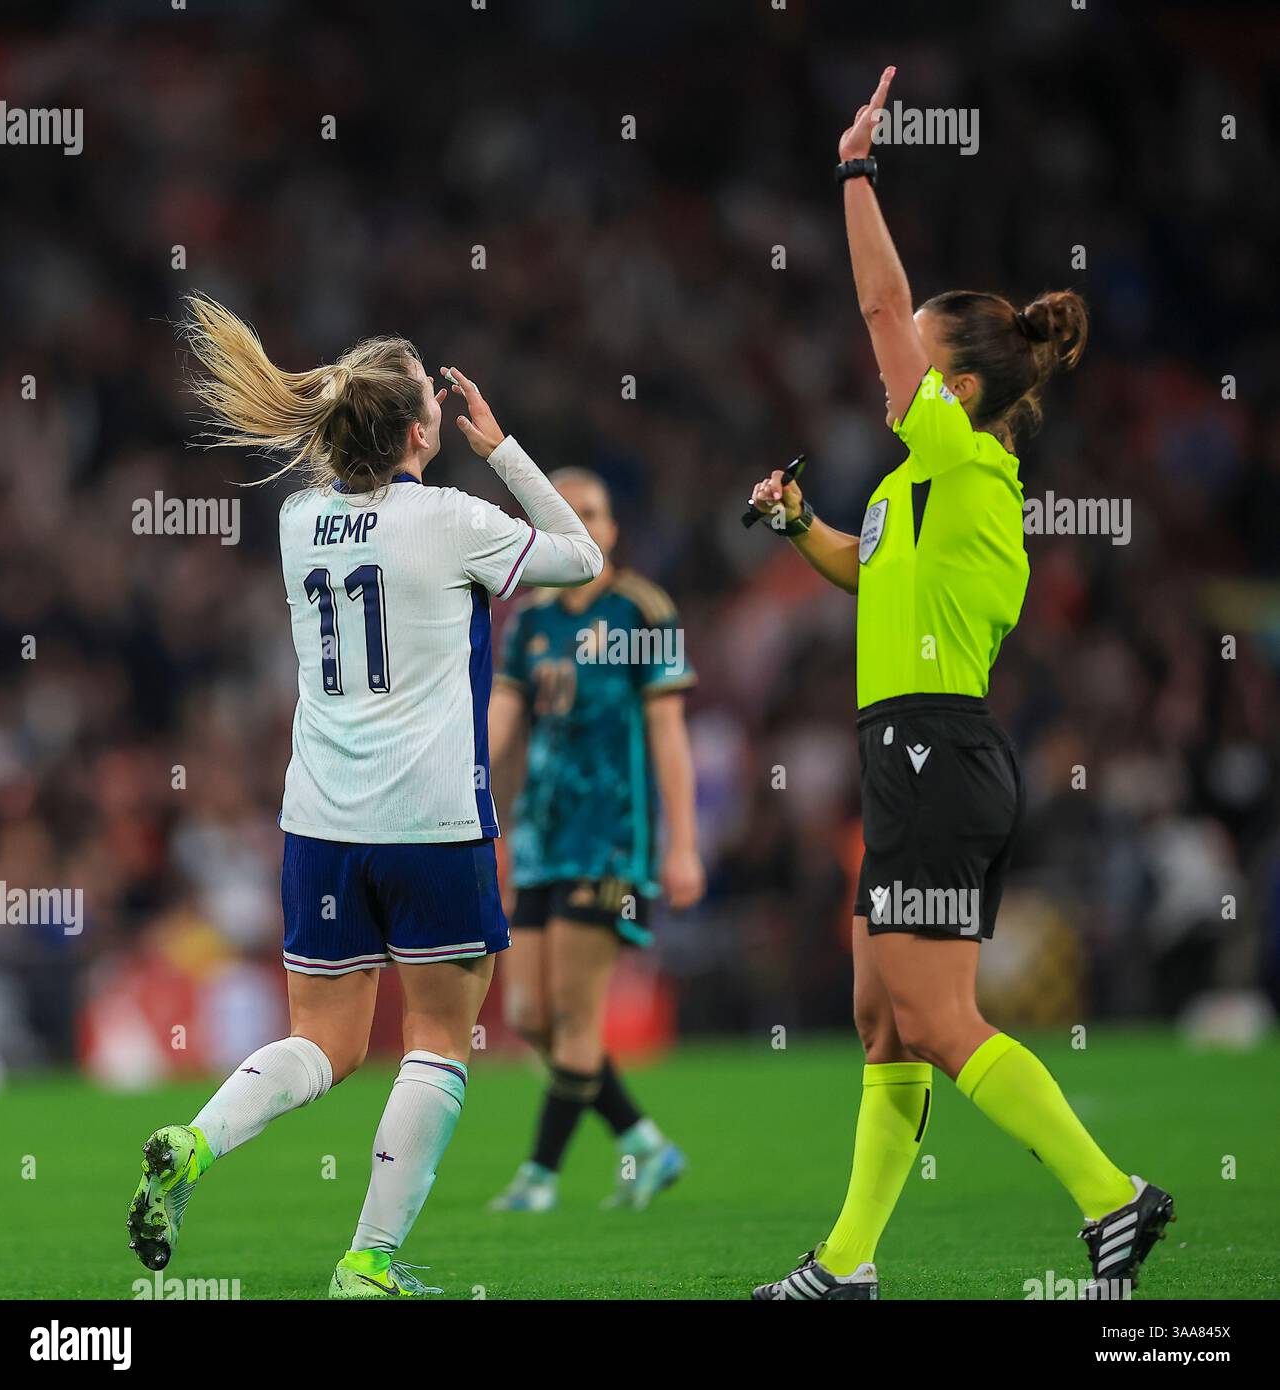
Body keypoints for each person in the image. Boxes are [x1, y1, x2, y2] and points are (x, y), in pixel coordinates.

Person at [749, 69, 1174, 1301]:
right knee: (885, 1021)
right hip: (909, 757)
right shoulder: (905, 494)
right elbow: (858, 572)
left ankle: (1112, 1198)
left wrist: (854, 170)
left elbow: (881, 303)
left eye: (925, 365)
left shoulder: (970, 465)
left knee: (937, 1020)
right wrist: (798, 527)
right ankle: (847, 1262)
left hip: (939, 754)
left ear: (961, 388)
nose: (900, 373)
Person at [126, 294, 603, 1297]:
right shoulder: (454, 520)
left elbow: (349, 482)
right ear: (426, 429)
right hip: (431, 821)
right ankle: (366, 1262)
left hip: (320, 823)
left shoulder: (300, 523)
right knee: (436, 1042)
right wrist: (504, 446)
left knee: (324, 1041)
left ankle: (196, 1140)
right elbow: (581, 557)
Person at [487, 469, 705, 1211]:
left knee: (577, 1017)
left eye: (595, 512)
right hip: (542, 839)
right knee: (528, 1019)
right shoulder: (531, 621)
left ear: (612, 529)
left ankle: (539, 1178)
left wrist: (683, 845)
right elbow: (504, 722)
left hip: (613, 844)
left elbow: (669, 733)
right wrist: (469, 794)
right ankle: (646, 1144)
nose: (584, 523)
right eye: (568, 513)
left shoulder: (645, 610)